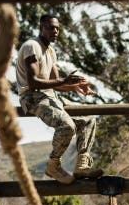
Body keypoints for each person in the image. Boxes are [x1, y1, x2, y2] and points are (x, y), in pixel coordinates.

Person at [16, 13, 103, 184]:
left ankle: (81, 165)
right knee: (66, 126)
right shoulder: (31, 46)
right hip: (32, 97)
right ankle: (53, 165)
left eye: (57, 28)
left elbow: (55, 84)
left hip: (50, 95)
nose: (54, 31)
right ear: (41, 27)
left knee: (88, 119)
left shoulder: (50, 51)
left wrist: (75, 87)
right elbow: (33, 83)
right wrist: (65, 80)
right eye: (50, 27)